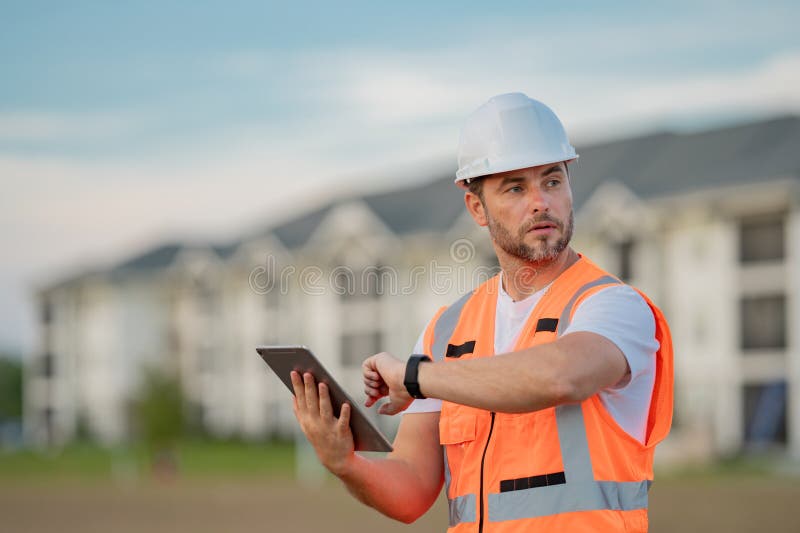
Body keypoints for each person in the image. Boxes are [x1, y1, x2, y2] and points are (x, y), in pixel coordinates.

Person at [290, 92, 673, 532]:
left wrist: (415, 377)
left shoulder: (612, 305)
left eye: (552, 180)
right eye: (515, 187)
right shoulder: (446, 330)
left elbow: (560, 376)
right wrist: (345, 464)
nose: (540, 202)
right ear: (477, 208)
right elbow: (412, 488)